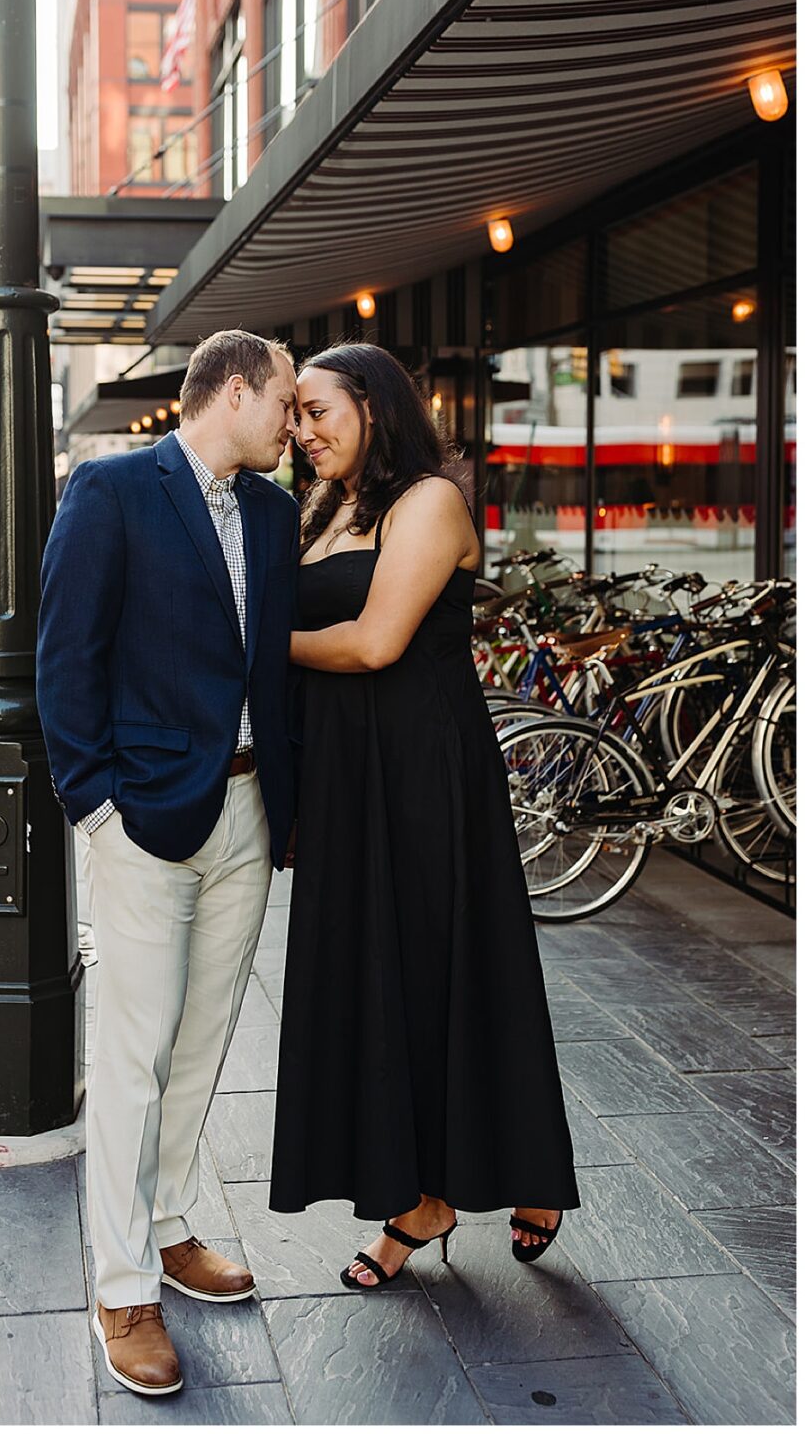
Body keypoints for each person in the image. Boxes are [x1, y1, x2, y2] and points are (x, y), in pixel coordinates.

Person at [269, 342, 581, 1289]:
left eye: (318, 410)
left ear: (375, 405)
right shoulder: (324, 505)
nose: (302, 430)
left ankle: (527, 1172)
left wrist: (248, 646)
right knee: (374, 980)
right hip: (349, 779)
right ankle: (416, 1203)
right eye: (295, 414)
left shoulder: (431, 501)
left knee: (456, 971)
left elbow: (372, 644)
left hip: (424, 773)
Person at [37, 330, 300, 1395]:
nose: (292, 423)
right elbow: (65, 656)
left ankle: (171, 1224)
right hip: (143, 819)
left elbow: (271, 667)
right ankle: (121, 1286)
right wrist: (93, 808)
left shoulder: (278, 516)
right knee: (135, 1056)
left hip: (247, 815)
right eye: (285, 402)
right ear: (233, 392)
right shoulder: (111, 492)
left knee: (201, 1045)